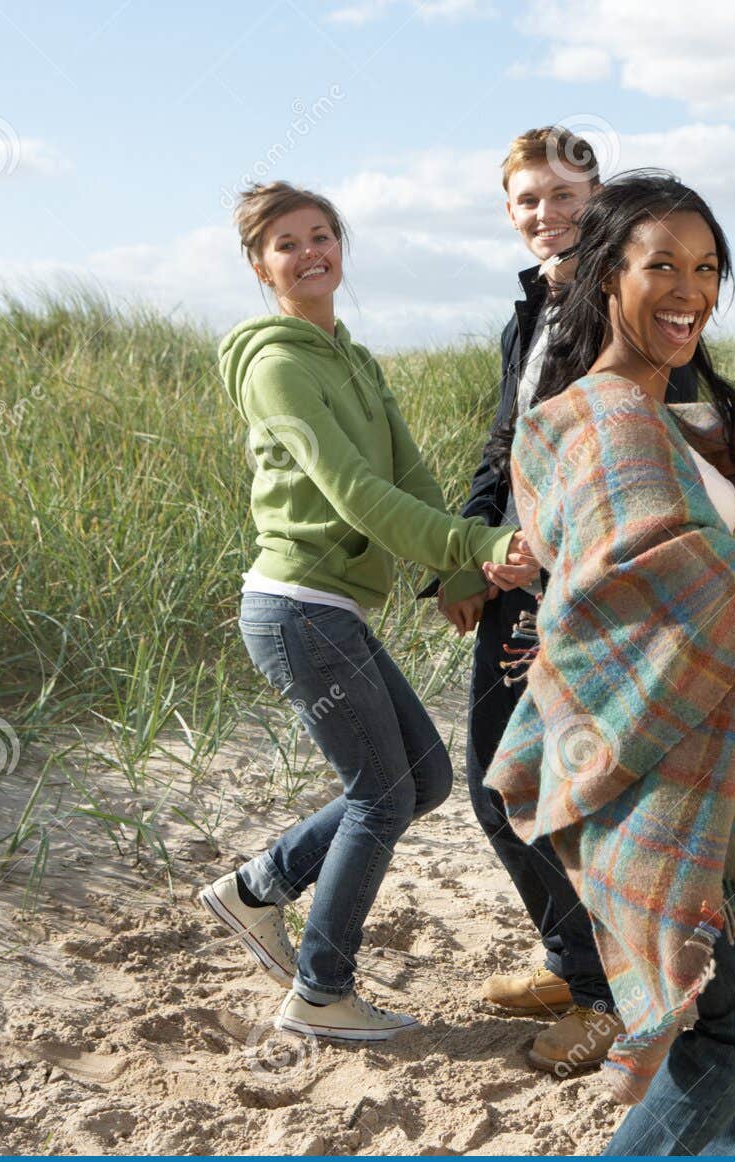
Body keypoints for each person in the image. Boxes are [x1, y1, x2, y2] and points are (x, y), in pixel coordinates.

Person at [485, 172, 735, 1154]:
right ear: (602, 278)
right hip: (681, 765)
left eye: (706, 268)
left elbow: (720, 460)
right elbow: (669, 567)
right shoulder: (615, 424)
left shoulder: (637, 414)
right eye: (660, 263)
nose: (690, 288)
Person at [200, 181, 521, 1042]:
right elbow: (353, 494)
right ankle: (319, 994)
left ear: (340, 245)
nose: (309, 253)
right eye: (285, 243)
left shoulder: (355, 357)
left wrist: (460, 561)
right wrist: (485, 549)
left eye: (320, 235)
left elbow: (407, 475)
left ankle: (257, 889)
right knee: (382, 794)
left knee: (423, 779)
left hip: (329, 611)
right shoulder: (275, 366)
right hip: (296, 608)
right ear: (259, 264)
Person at [419, 127, 699, 1075]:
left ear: (603, 205)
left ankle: (604, 993)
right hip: (510, 581)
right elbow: (507, 443)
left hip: (586, 590)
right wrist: (467, 552)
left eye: (569, 197)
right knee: (501, 787)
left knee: (534, 794)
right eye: (530, 199)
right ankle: (575, 960)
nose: (550, 214)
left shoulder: (630, 307)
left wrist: (545, 545)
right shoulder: (526, 311)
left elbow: (646, 448)